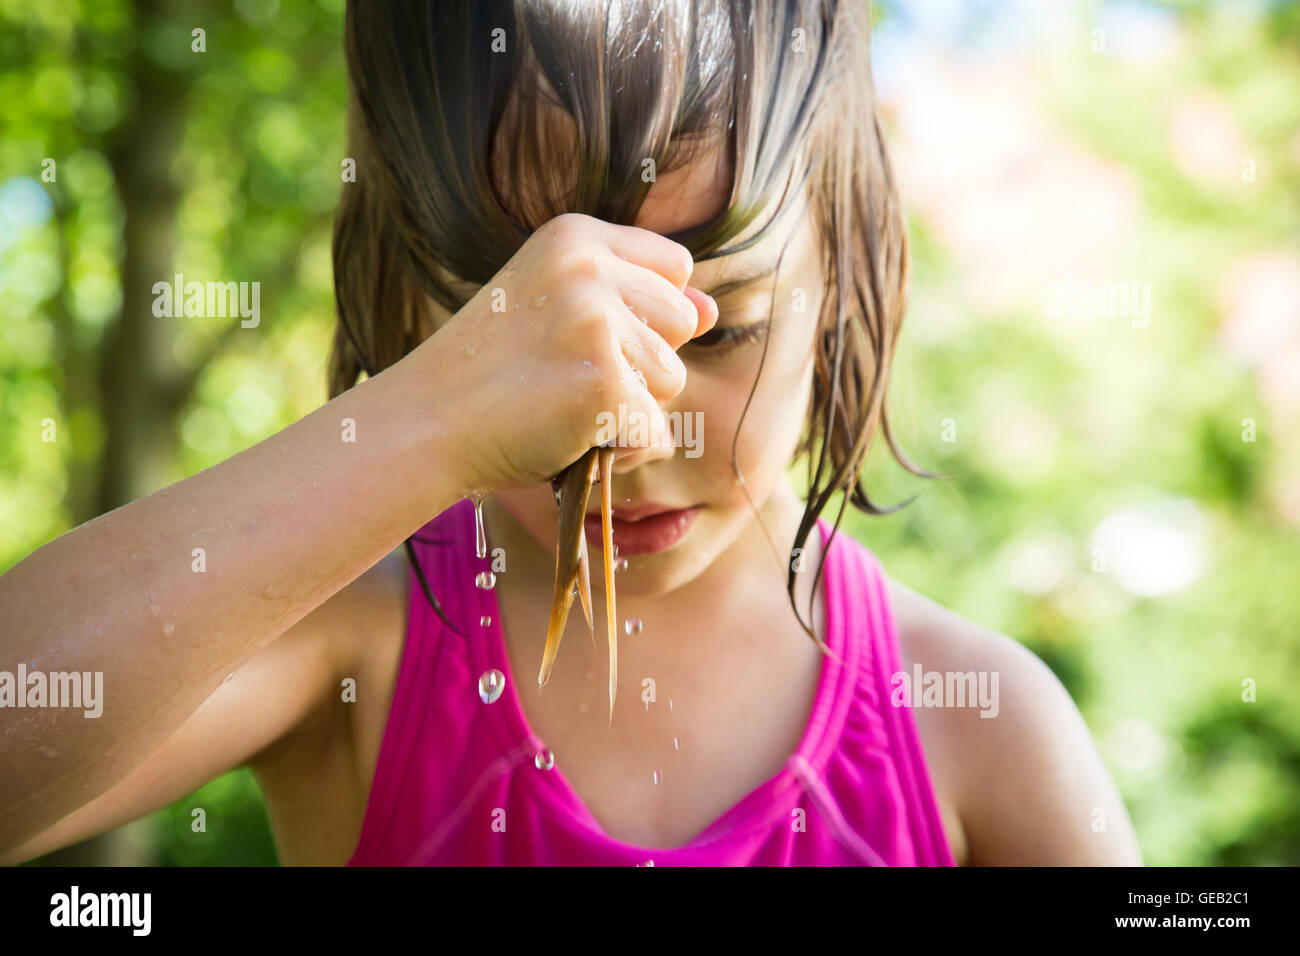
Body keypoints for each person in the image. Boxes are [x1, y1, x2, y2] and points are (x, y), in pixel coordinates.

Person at [0, 0, 1142, 866]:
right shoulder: (360, 645)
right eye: (521, 340)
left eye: (717, 326)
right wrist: (420, 424)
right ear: (413, 312)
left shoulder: (979, 726)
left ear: (845, 266)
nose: (622, 433)